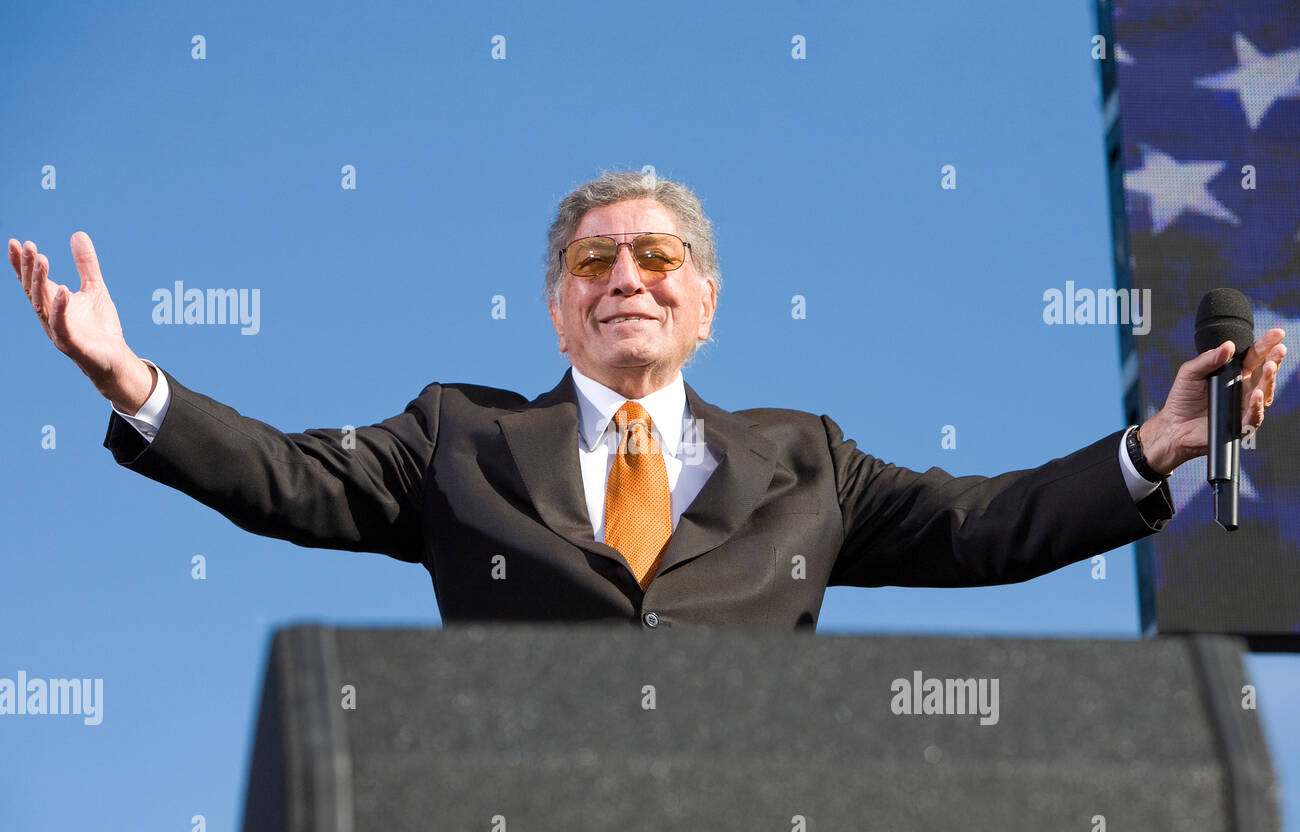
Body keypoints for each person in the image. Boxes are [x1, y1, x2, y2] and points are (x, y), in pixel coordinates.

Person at [8, 172, 1287, 629]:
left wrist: (1152, 448)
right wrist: (135, 381)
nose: (627, 276)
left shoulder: (807, 462)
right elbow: (289, 476)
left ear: (706, 301)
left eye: (657, 257)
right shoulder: (458, 437)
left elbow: (981, 524)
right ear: (558, 308)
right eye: (593, 262)